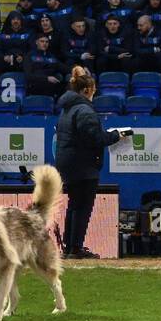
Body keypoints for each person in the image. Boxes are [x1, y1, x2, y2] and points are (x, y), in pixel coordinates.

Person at [54, 66, 128, 259]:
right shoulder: (85, 110)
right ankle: (75, 247)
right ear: (88, 90)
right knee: (82, 207)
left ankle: (70, 247)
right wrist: (115, 135)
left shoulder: (67, 109)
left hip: (68, 164)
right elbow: (95, 138)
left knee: (73, 206)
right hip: (83, 166)